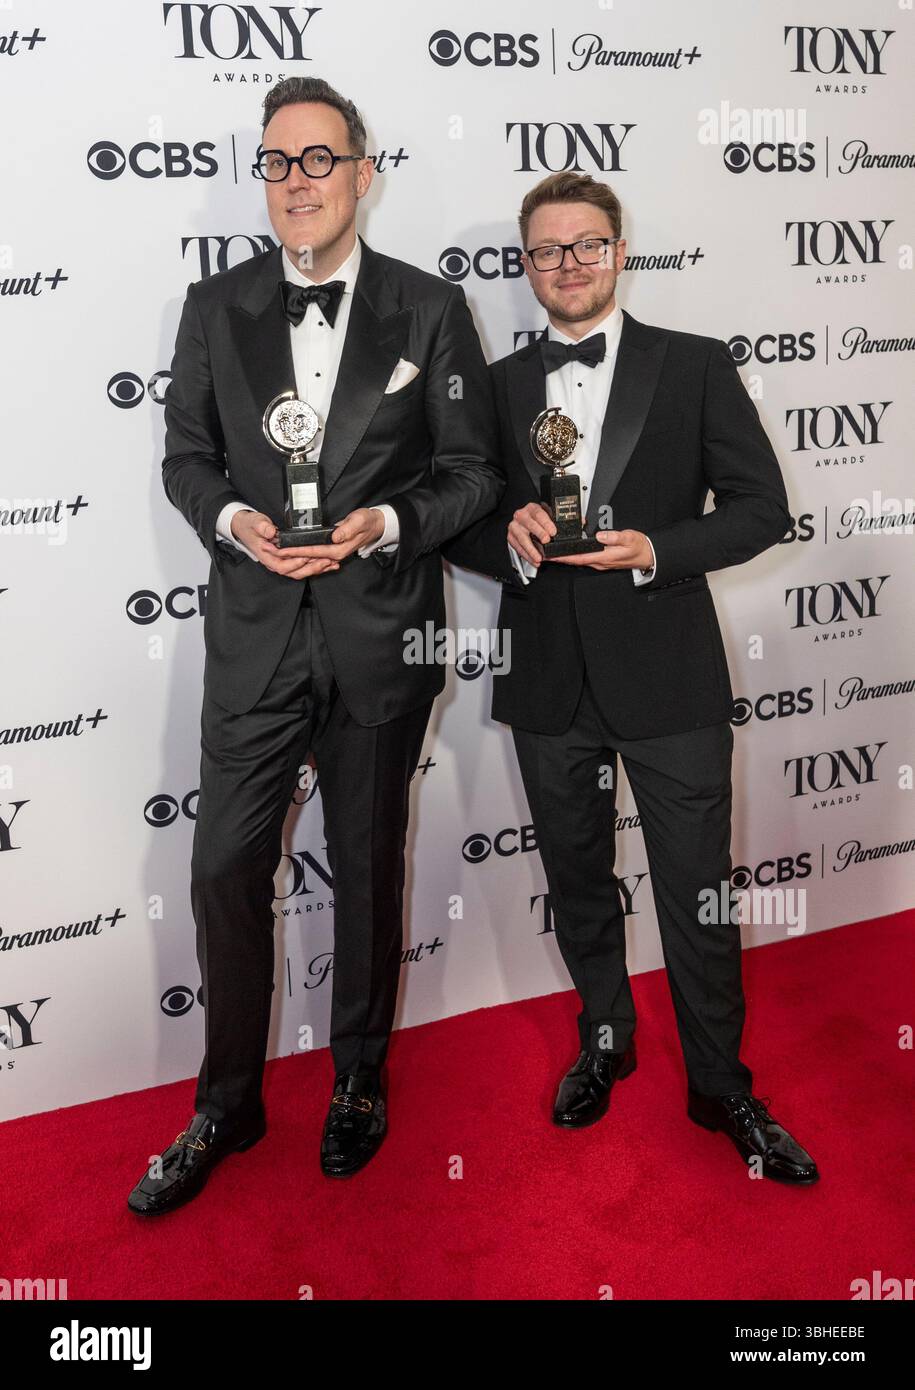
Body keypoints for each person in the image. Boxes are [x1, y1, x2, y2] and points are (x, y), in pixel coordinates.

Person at [127, 77, 502, 1214]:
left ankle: (358, 1079)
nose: (298, 182)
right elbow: (186, 456)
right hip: (253, 640)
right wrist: (235, 521)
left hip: (380, 633)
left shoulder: (428, 309)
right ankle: (226, 1101)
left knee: (371, 868)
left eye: (319, 160)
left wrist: (385, 523)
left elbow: (473, 472)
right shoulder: (212, 306)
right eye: (279, 163)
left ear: (363, 171)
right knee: (219, 870)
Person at [443, 172, 818, 1184]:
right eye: (547, 251)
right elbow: (463, 515)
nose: (568, 265)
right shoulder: (498, 382)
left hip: (669, 674)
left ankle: (719, 1082)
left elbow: (760, 509)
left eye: (587, 245)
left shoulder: (693, 365)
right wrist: (508, 538)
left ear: (621, 249)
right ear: (527, 266)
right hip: (547, 677)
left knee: (698, 890)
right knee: (576, 880)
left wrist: (659, 545)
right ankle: (605, 1036)